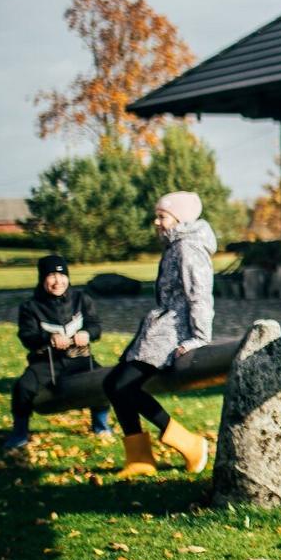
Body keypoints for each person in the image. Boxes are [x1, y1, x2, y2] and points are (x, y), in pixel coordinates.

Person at [103, 191, 217, 478]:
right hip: (160, 330)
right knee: (115, 384)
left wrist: (200, 338)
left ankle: (190, 444)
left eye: (162, 216)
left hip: (173, 333)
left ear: (179, 219)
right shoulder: (175, 245)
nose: (156, 221)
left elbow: (199, 295)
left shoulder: (188, 248)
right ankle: (139, 459)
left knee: (120, 385)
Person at [3, 255, 112, 449]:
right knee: (22, 388)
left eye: (62, 276)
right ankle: (19, 433)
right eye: (51, 276)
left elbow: (95, 326)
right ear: (42, 278)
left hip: (79, 358)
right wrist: (49, 339)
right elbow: (27, 336)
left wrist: (87, 333)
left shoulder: (82, 299)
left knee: (103, 383)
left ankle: (101, 426)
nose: (57, 281)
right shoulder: (30, 307)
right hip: (45, 362)